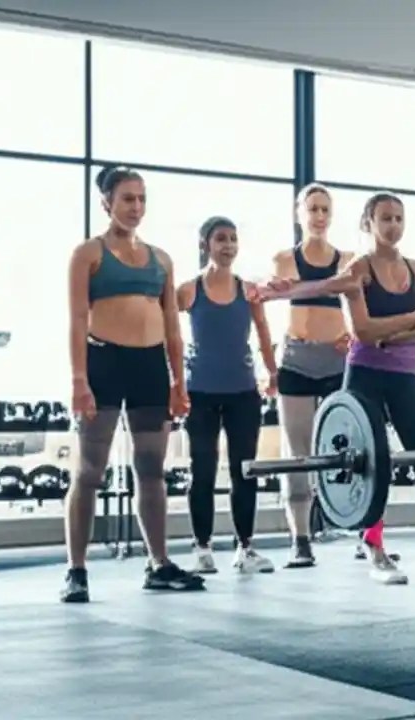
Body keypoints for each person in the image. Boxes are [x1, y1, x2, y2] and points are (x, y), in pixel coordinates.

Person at [261, 193, 415, 583]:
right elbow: (361, 330)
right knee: (373, 467)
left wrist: (393, 331)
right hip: (364, 375)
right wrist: (412, 321)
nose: (393, 225)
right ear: (368, 223)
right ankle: (375, 549)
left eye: (399, 218)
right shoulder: (357, 270)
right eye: (385, 218)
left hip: (405, 378)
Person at [62, 166, 202, 602]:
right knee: (89, 472)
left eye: (141, 199)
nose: (136, 207)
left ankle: (158, 564)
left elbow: (173, 330)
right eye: (127, 199)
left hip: (149, 367)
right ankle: (77, 571)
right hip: (104, 364)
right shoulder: (88, 253)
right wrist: (79, 381)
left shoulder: (161, 259)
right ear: (106, 202)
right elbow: (77, 320)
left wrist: (179, 382)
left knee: (151, 471)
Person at [177, 216, 278, 575]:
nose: (228, 246)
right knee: (201, 470)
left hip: (242, 392)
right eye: (221, 239)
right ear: (206, 244)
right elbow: (163, 329)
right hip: (200, 393)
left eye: (233, 239)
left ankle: (245, 548)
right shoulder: (189, 291)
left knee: (244, 471)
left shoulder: (248, 290)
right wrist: (173, 378)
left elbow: (263, 331)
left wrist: (272, 371)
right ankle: (203, 548)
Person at [273, 183, 353, 569]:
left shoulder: (349, 259)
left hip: (338, 362)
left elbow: (360, 309)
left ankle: (364, 532)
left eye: (325, 209)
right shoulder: (284, 260)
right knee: (298, 455)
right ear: (299, 214)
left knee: (353, 451)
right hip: (299, 361)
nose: (319, 216)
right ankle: (301, 539)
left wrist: (353, 335)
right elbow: (275, 297)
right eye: (313, 209)